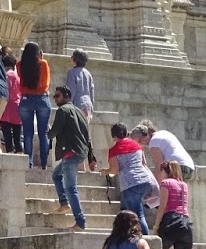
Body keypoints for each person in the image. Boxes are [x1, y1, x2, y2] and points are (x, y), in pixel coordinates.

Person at [48, 86, 98, 230]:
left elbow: (55, 130)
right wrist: (91, 157)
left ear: (66, 96)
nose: (55, 99)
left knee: (70, 188)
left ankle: (80, 222)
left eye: (57, 96)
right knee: (56, 175)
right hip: (79, 151)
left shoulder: (63, 110)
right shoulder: (80, 112)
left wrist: (47, 135)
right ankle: (64, 203)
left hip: (70, 152)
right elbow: (87, 136)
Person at [108, 123, 159, 237]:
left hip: (131, 184)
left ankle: (146, 239)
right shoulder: (136, 145)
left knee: (138, 214)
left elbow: (114, 170)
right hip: (145, 182)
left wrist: (105, 171)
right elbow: (143, 163)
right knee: (124, 208)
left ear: (113, 136)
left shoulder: (114, 149)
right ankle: (123, 234)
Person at [18, 42, 53, 169]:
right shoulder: (43, 63)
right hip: (42, 99)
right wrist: (41, 58)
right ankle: (44, 163)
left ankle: (29, 163)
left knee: (27, 133)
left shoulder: (19, 65)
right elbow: (45, 85)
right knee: (43, 133)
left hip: (26, 99)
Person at [0, 51, 24, 154]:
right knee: (17, 136)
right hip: (17, 106)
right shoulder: (18, 77)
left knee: (7, 135)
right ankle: (19, 153)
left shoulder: (4, 76)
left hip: (5, 106)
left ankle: (9, 152)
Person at [65, 49, 95, 118]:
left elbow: (71, 91)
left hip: (77, 105)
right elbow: (92, 93)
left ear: (75, 59)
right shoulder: (88, 74)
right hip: (88, 105)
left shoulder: (71, 72)